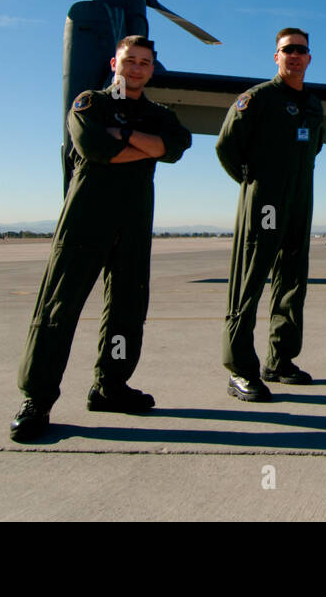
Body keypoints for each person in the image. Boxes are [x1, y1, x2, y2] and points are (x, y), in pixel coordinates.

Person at [10, 36, 193, 442]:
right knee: (59, 306)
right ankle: (36, 400)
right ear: (115, 62)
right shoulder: (90, 104)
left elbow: (178, 146)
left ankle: (110, 387)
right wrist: (147, 147)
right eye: (130, 61)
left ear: (152, 69)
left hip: (133, 221)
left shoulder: (159, 113)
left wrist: (122, 136)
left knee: (128, 307)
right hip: (86, 218)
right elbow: (94, 148)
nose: (136, 69)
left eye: (145, 63)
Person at [216, 28, 324, 401]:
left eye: (300, 50)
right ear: (275, 57)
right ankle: (239, 369)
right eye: (286, 50)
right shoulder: (257, 99)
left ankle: (280, 360)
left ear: (309, 58)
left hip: (299, 200)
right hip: (265, 202)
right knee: (250, 281)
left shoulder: (314, 104)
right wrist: (252, 183)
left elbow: (314, 147)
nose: (293, 55)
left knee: (292, 280)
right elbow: (227, 146)